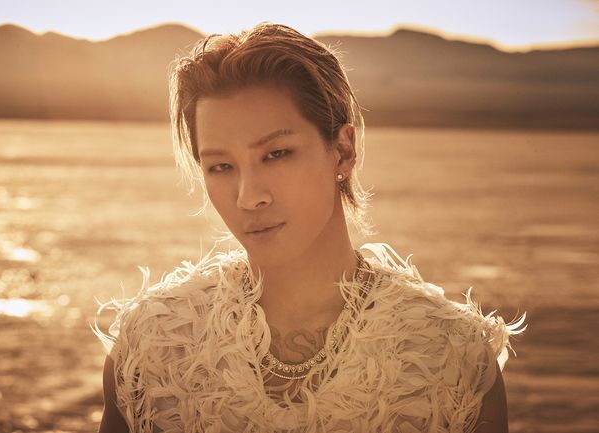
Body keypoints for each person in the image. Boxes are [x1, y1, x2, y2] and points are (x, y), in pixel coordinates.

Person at [92, 22, 526, 433]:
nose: (248, 197)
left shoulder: (451, 357)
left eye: (276, 154)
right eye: (221, 166)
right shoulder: (150, 348)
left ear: (343, 151)